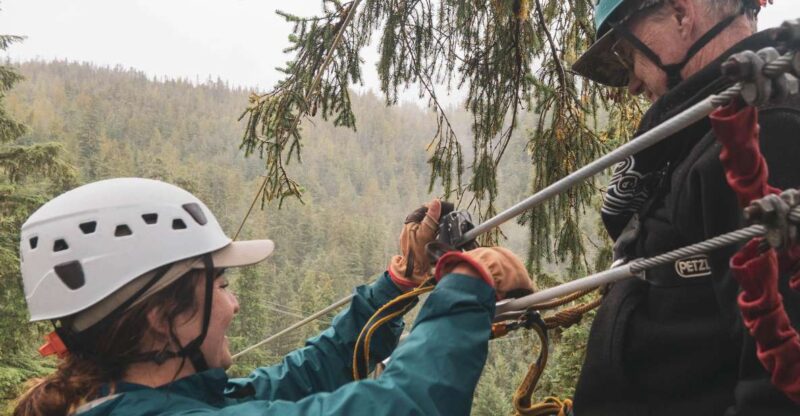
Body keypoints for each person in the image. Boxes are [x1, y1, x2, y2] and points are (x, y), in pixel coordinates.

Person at [12, 177, 532, 415]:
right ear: (160, 320)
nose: (234, 304)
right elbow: (403, 406)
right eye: (220, 285)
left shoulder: (148, 399)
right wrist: (466, 281)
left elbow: (300, 380)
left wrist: (398, 285)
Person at [571, 0, 800, 414]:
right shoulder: (698, 136)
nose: (634, 85)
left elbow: (779, 390)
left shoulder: (765, 135)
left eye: (628, 53)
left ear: (681, 14)